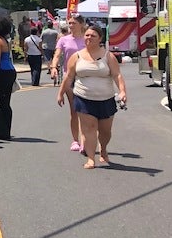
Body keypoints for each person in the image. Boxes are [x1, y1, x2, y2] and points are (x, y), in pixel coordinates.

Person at [57, 24, 128, 169]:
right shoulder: (76, 56)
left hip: (106, 99)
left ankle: (103, 149)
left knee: (105, 132)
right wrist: (61, 93)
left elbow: (117, 75)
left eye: (93, 36)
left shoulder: (109, 56)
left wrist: (122, 91)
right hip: (83, 99)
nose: (89, 38)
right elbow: (69, 77)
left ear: (100, 39)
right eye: (87, 35)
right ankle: (91, 158)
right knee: (89, 129)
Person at [50, 17, 87, 151]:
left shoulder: (87, 39)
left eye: (74, 23)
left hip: (85, 77)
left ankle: (85, 140)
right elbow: (57, 55)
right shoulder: (63, 40)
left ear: (81, 24)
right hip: (69, 78)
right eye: (69, 23)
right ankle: (75, 140)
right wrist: (54, 67)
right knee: (74, 110)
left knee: (85, 111)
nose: (71, 25)